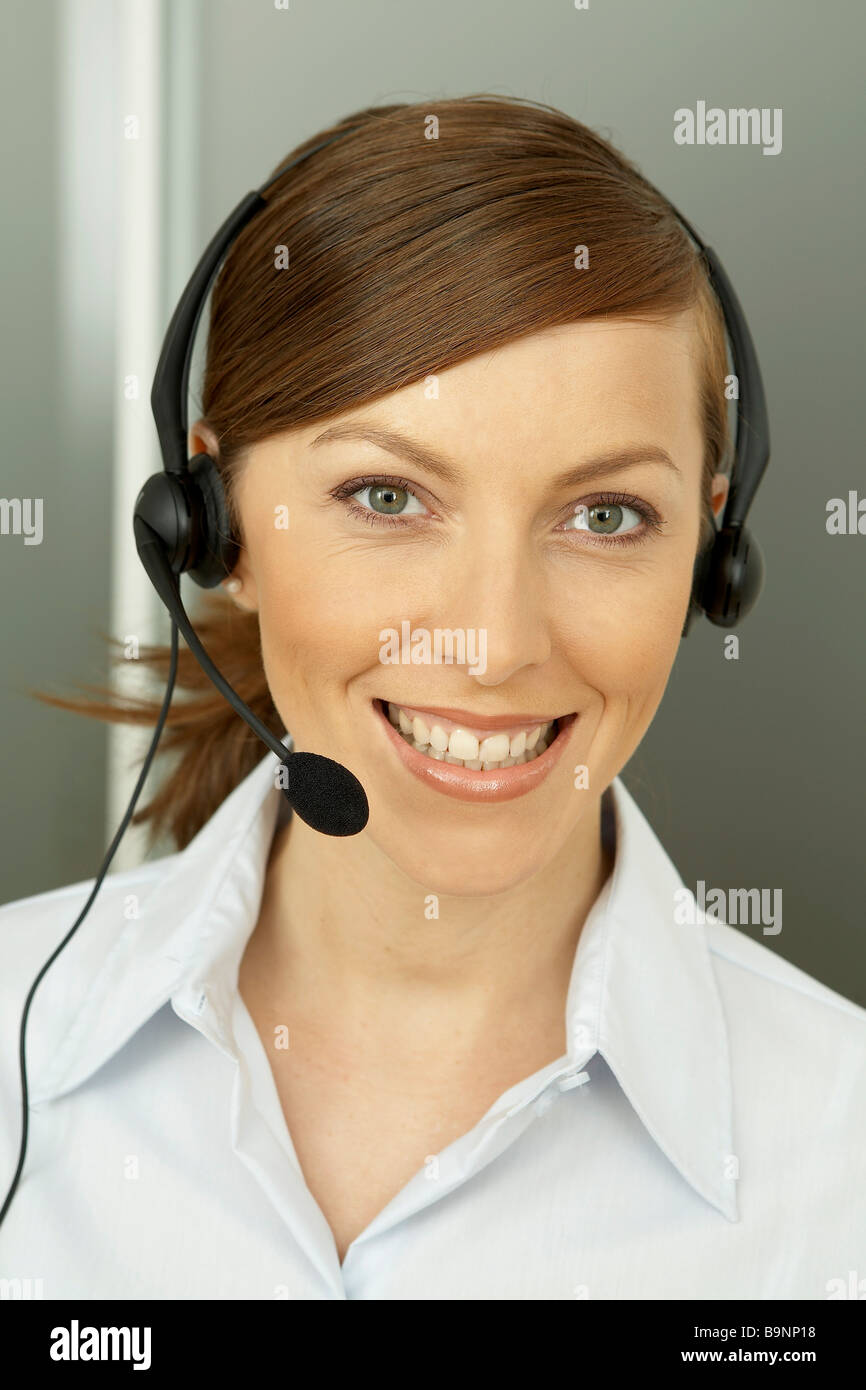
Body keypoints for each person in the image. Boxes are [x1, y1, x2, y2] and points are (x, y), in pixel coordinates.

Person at [1, 96, 863, 1300]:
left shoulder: (841, 1157)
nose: (493, 643)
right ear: (218, 526)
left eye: (603, 515)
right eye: (387, 499)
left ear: (711, 562)